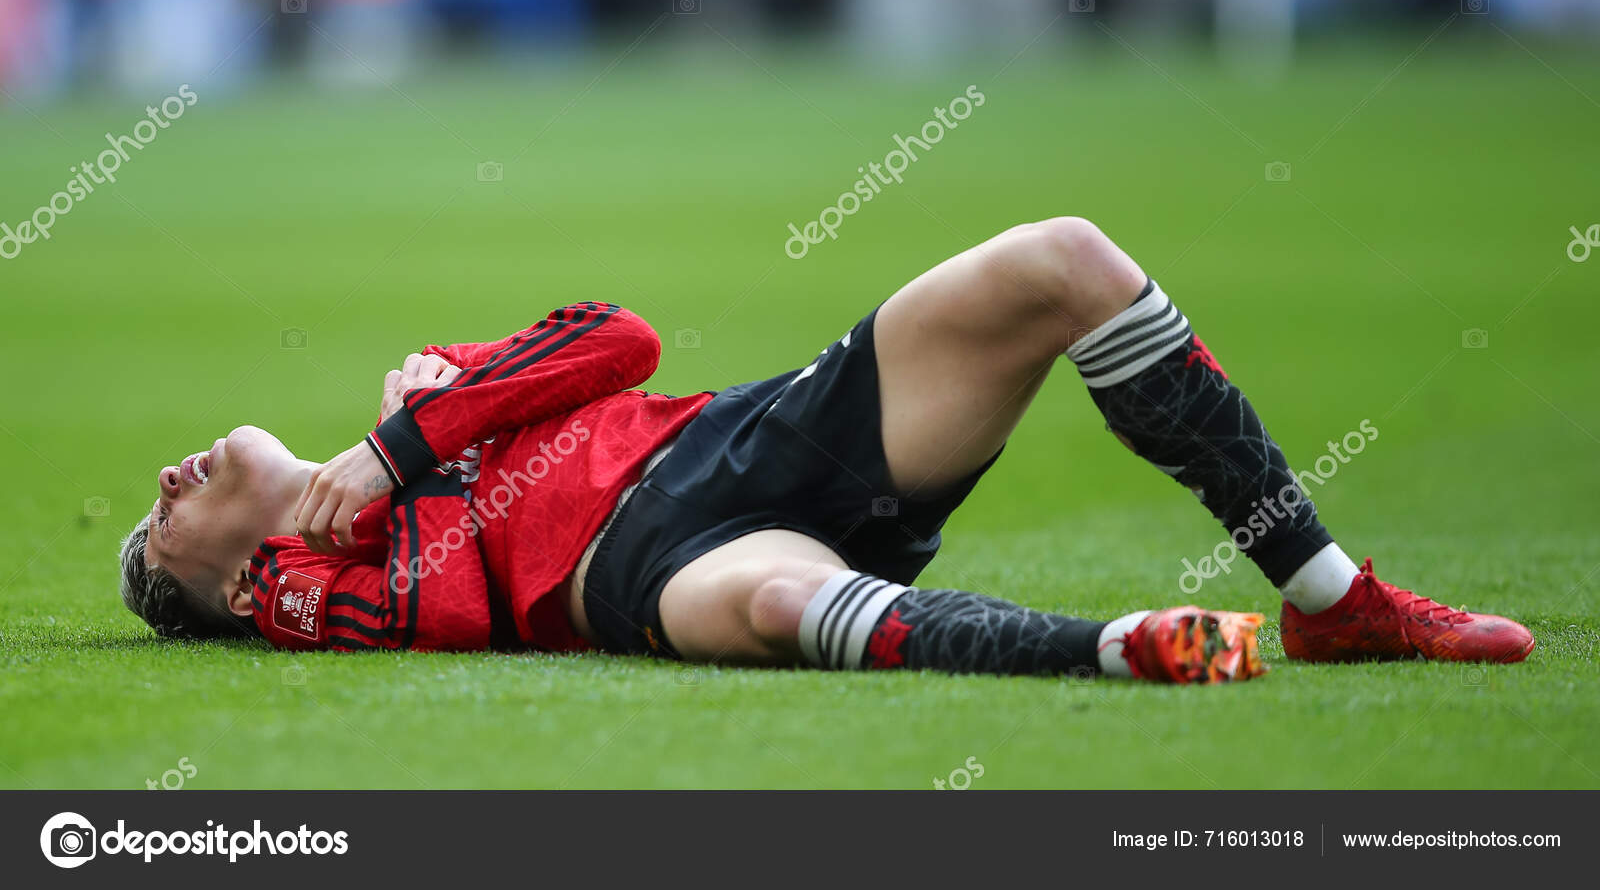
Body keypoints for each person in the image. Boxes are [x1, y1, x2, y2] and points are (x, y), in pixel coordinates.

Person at [120, 218, 1535, 682]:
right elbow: (469, 606)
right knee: (788, 608)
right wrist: (360, 514)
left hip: (754, 435)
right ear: (229, 588)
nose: (167, 485)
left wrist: (409, 433)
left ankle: (1331, 601)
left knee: (1065, 263)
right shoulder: (332, 597)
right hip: (644, 573)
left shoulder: (417, 409)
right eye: (157, 533)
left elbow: (621, 339)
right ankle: (1119, 648)